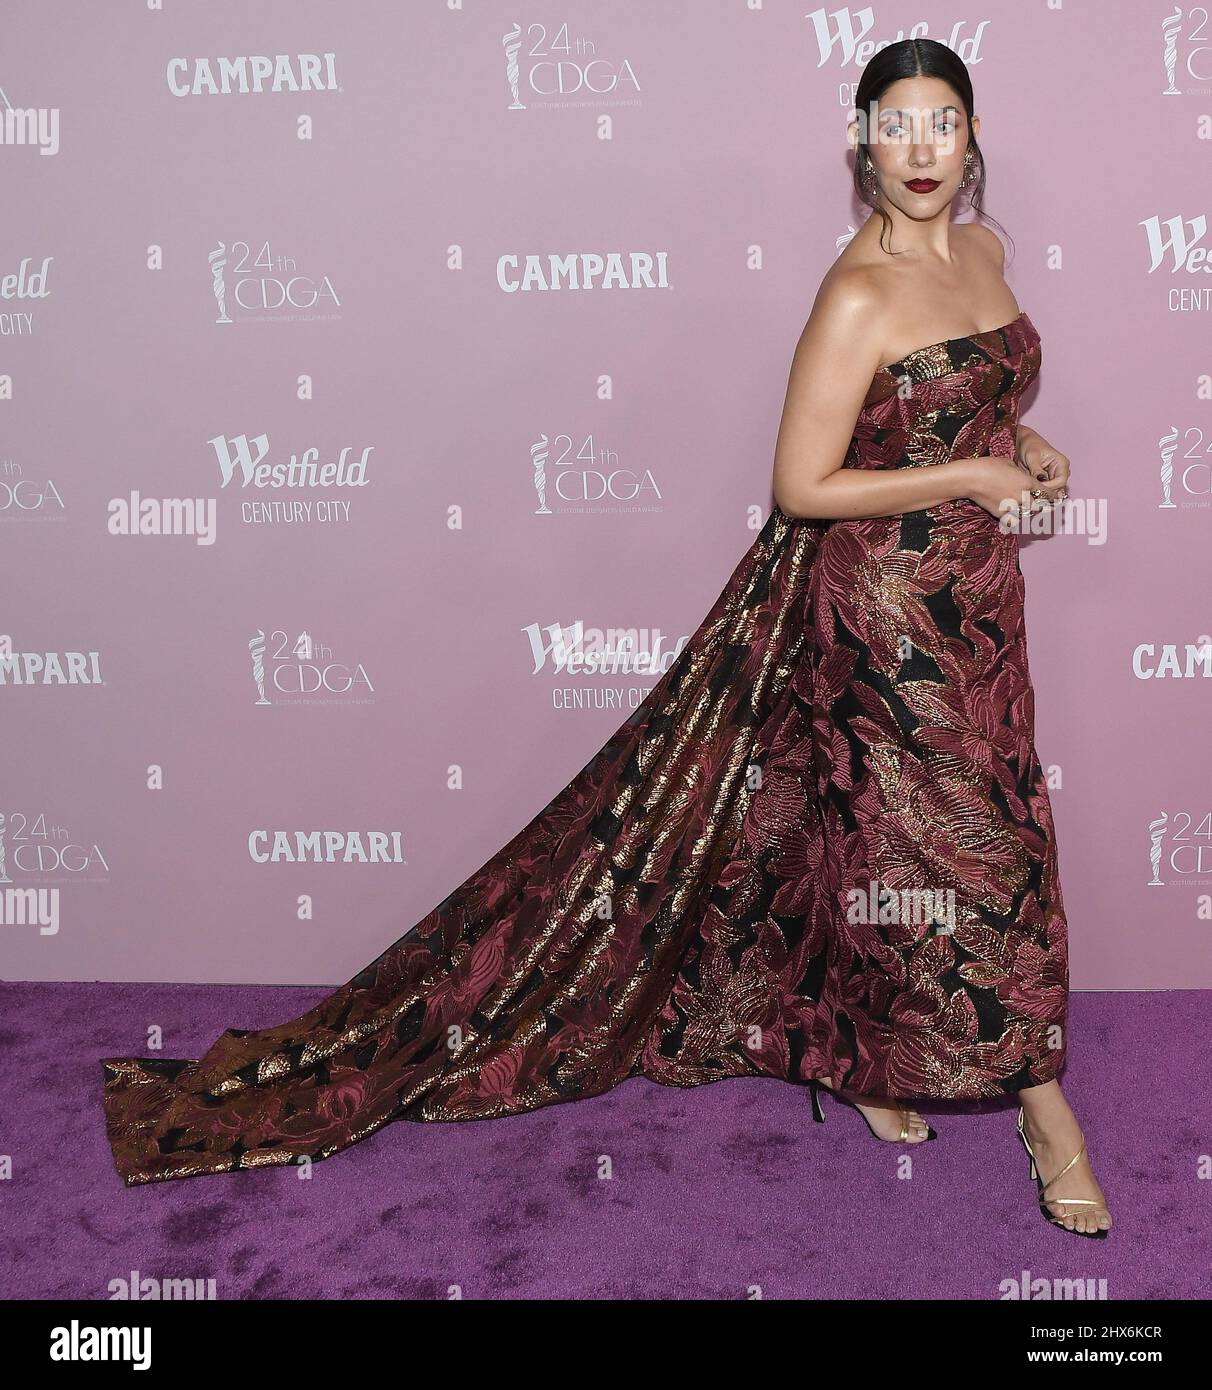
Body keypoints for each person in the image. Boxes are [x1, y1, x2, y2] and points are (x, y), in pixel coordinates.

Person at [101, 37, 1111, 1239]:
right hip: (885, 621)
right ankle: (1050, 1118)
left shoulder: (985, 253)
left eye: (941, 121)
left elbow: (970, 403)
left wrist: (1022, 444)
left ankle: (858, 1051)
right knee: (974, 860)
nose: (921, 149)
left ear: (973, 132)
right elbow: (802, 484)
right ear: (861, 143)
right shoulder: (857, 292)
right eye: (894, 125)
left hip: (982, 607)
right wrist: (973, 471)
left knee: (870, 846)